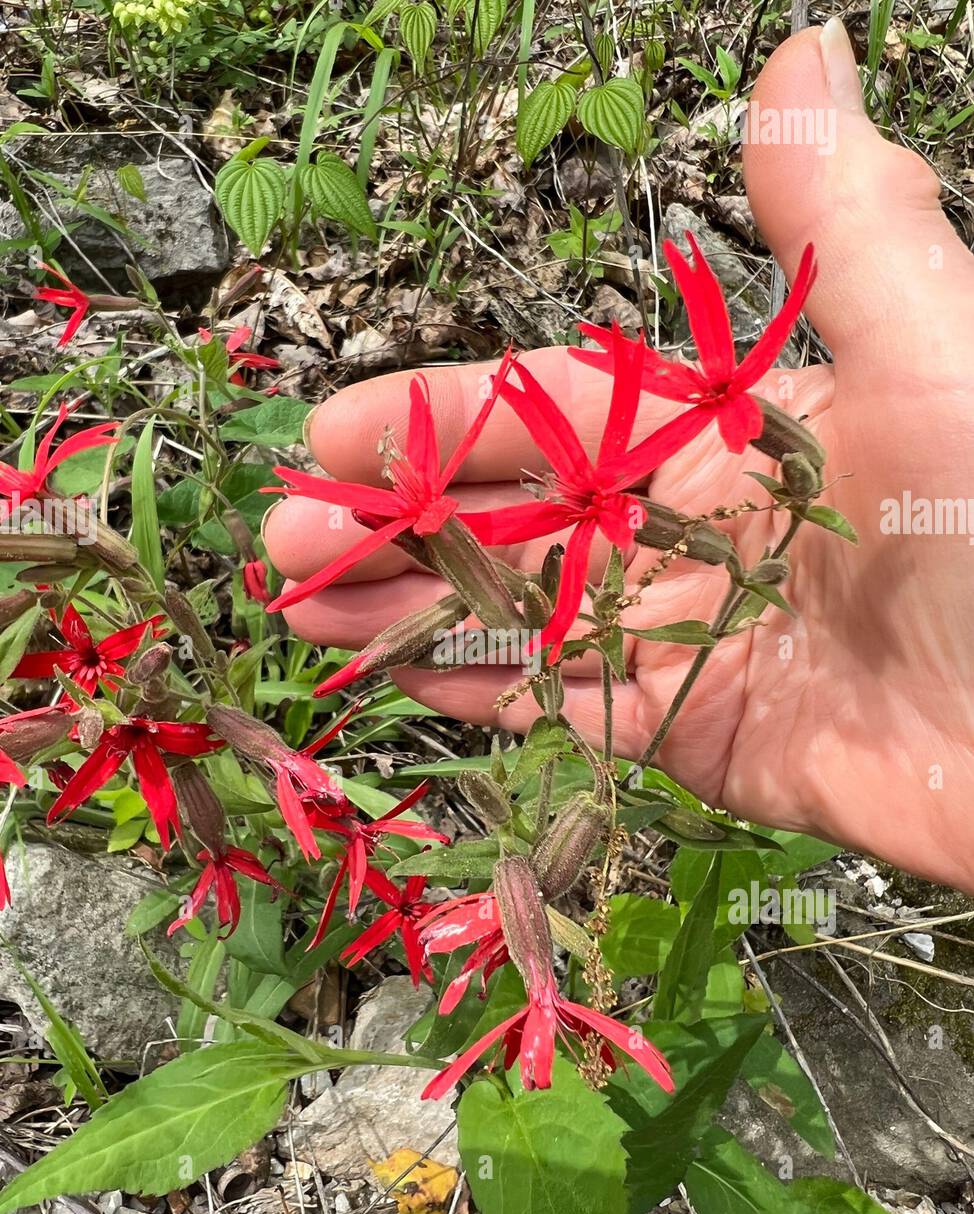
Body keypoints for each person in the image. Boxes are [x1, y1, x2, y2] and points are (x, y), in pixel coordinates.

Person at [263, 21, 974, 894]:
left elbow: (672, 468)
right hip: (606, 553)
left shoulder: (719, 430)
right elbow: (531, 565)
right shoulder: (596, 498)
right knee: (458, 591)